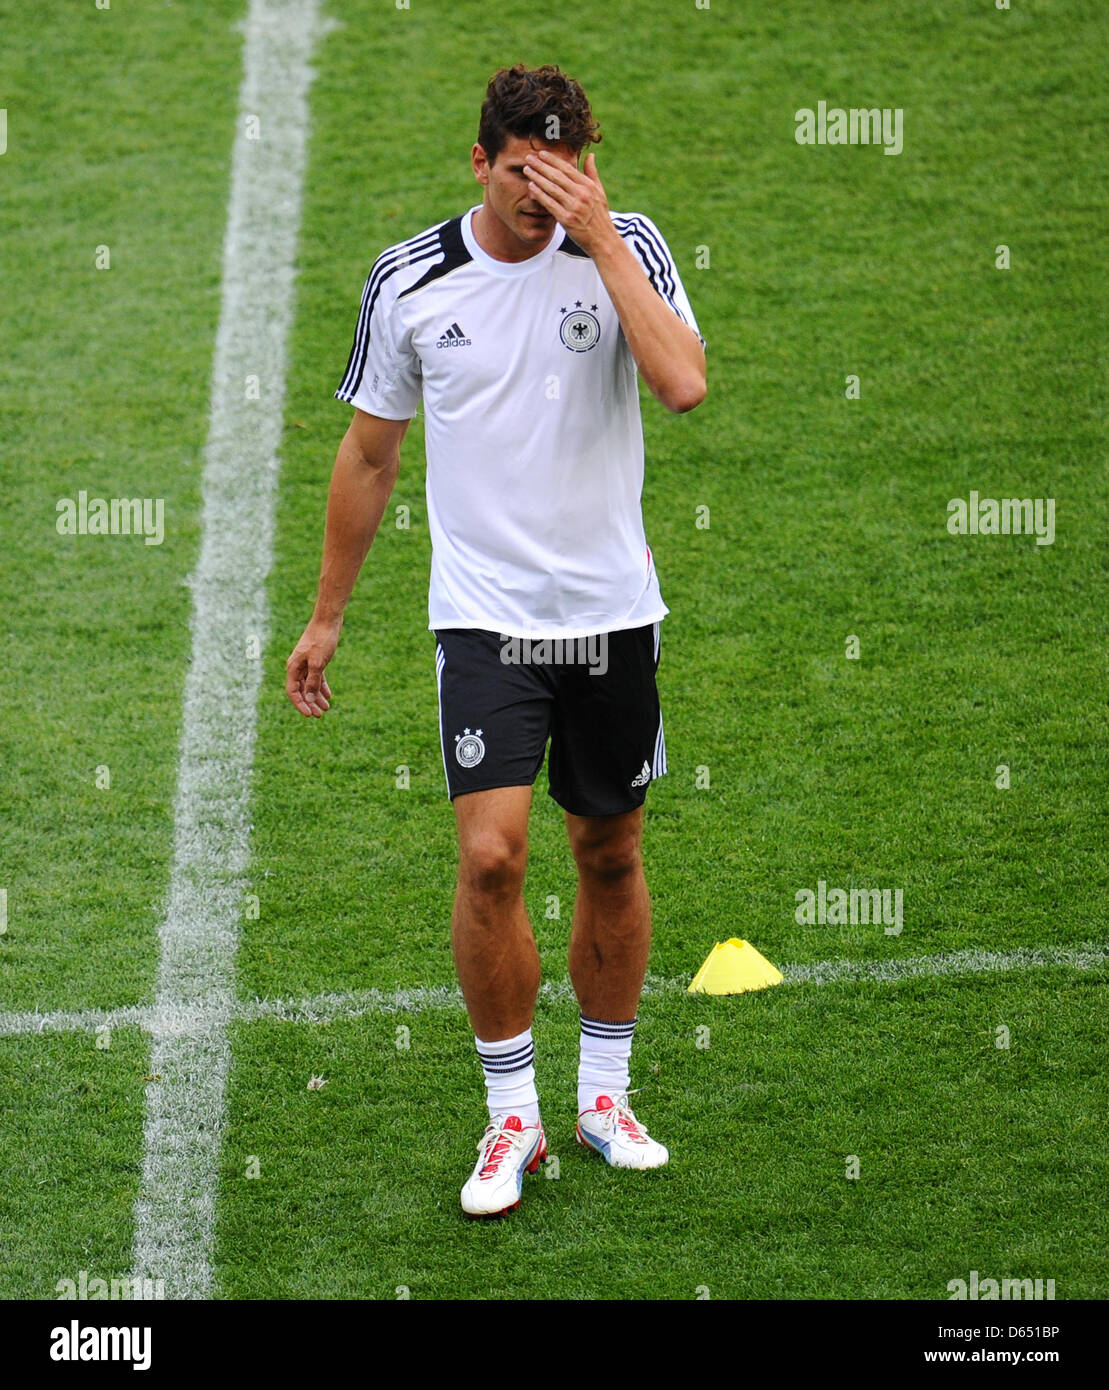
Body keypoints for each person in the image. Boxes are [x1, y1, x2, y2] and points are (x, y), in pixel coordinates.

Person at [286, 63, 706, 1218]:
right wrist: (327, 614)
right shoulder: (411, 280)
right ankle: (510, 1115)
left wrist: (603, 239)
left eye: (563, 164)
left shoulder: (627, 246)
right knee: (491, 857)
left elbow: (681, 384)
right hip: (482, 621)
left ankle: (604, 1098)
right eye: (522, 165)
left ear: (587, 160)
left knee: (608, 851)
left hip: (611, 616)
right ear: (480, 161)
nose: (541, 188)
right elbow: (370, 452)